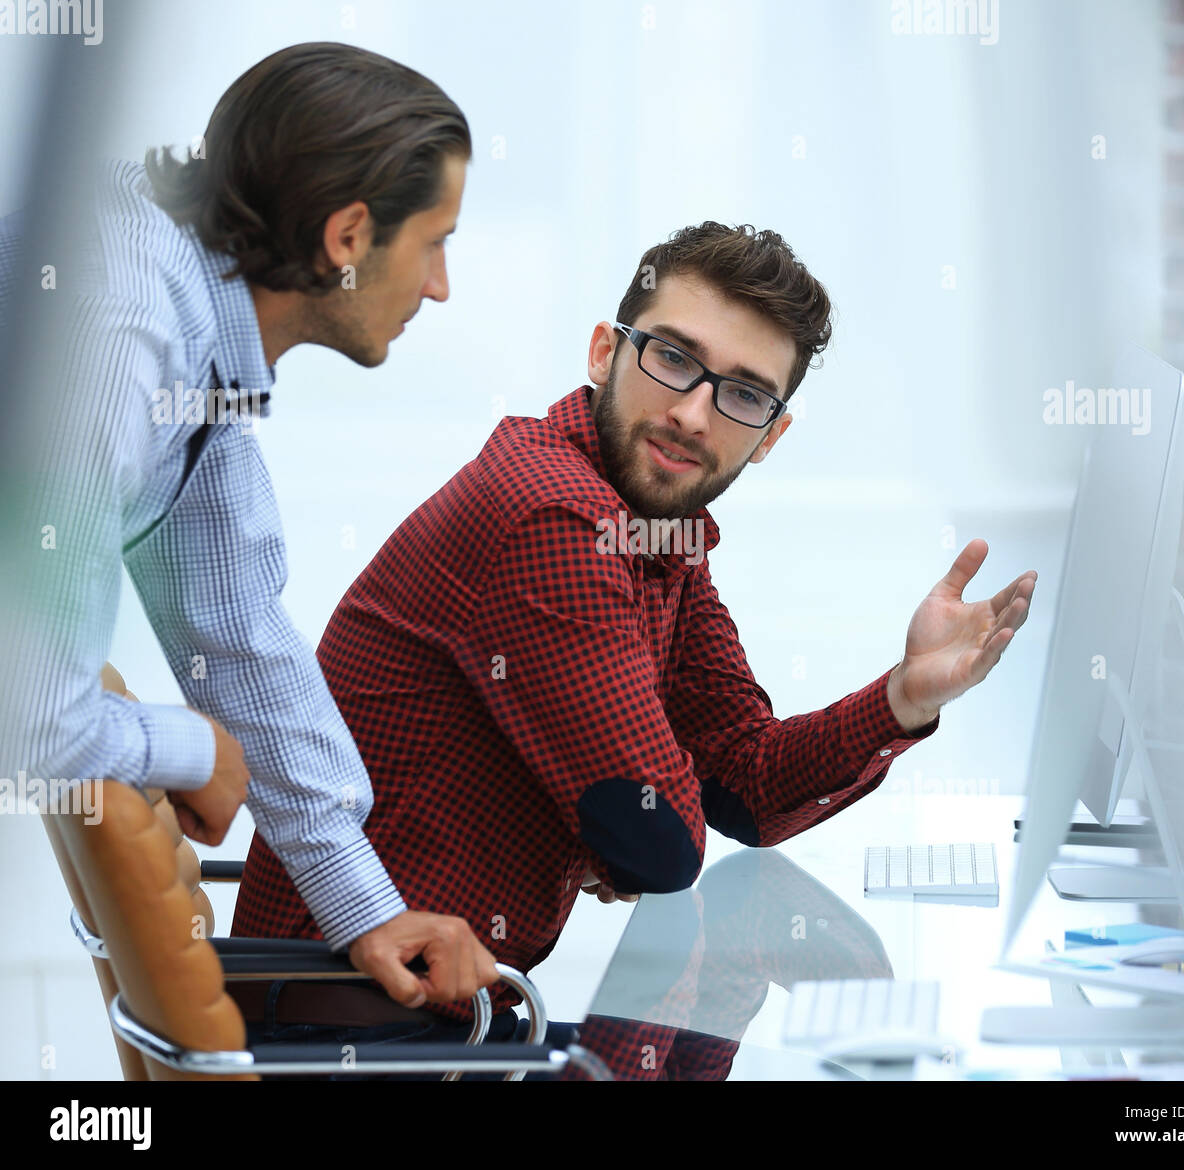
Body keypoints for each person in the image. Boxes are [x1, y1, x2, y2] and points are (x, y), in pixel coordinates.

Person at [231, 221, 1037, 1074]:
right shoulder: (555, 514)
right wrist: (612, 826)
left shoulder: (662, 535)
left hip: (449, 1029)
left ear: (771, 436)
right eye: (674, 359)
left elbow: (746, 786)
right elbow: (663, 839)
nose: (693, 413)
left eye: (743, 395)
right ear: (602, 353)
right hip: (359, 1045)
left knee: (743, 943)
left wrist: (906, 696)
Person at [0, 42, 498, 1011]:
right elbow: (31, 715)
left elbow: (238, 633)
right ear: (349, 237)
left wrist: (367, 910)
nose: (440, 287)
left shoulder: (192, 321)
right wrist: (191, 748)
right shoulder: (125, 330)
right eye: (435, 242)